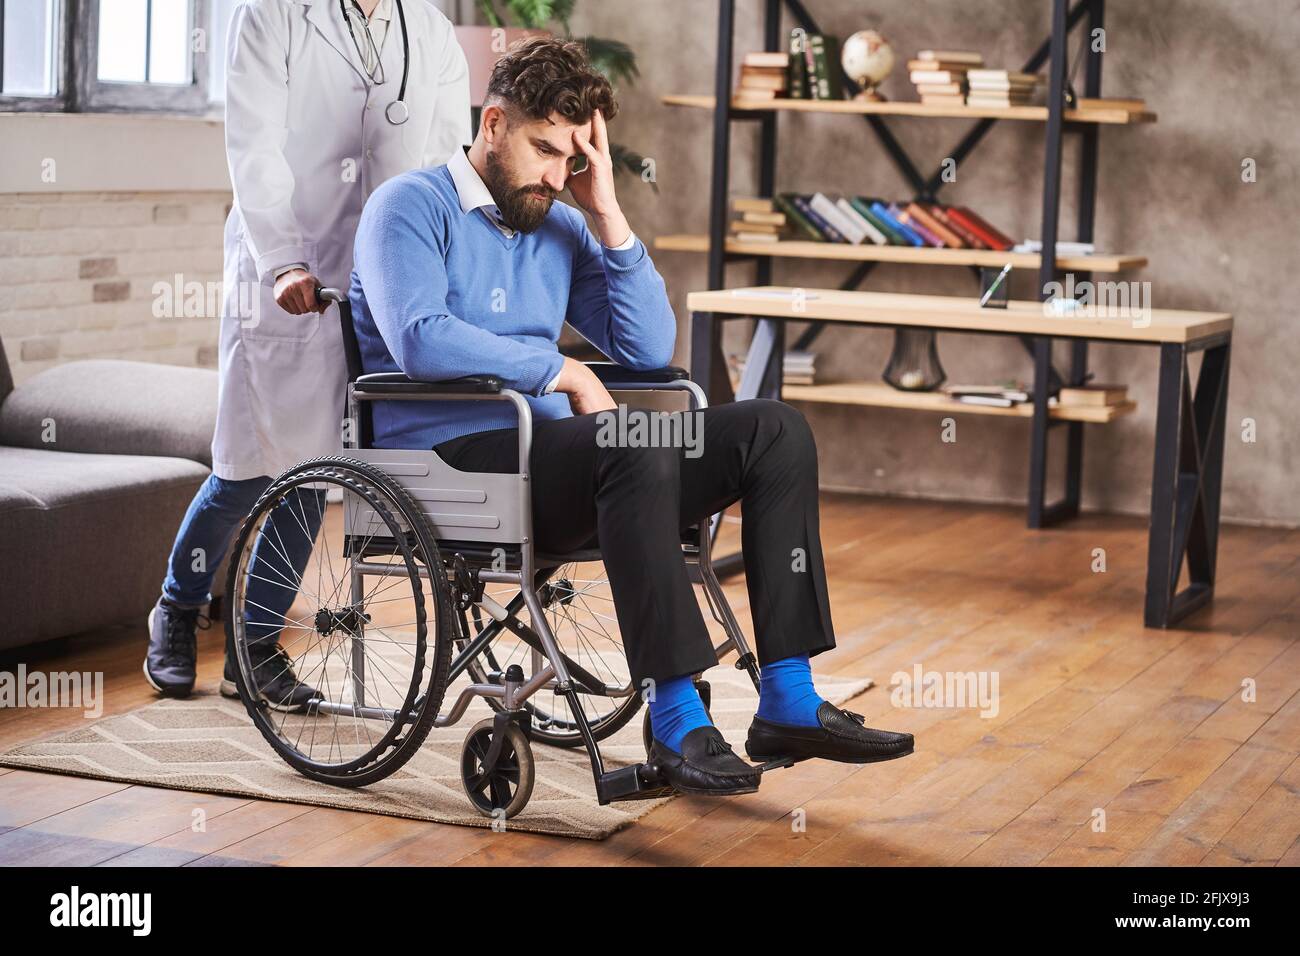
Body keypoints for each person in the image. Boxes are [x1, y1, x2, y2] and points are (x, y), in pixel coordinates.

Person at [349, 36, 914, 795]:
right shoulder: (409, 207)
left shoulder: (558, 218)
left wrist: (607, 213)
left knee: (774, 431)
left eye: (571, 157)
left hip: (568, 457)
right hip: (454, 463)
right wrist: (563, 370)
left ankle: (788, 698)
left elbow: (649, 348)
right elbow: (418, 338)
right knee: (625, 442)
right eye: (544, 149)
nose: (555, 174)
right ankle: (678, 717)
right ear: (492, 125)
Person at [144, 0, 471, 708]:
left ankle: (252, 650)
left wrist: (446, 270)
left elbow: (450, 159)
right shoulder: (272, 13)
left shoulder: (431, 28)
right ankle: (175, 610)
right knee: (247, 467)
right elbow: (254, 144)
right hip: (287, 270)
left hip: (380, 282)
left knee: (317, 473)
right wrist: (284, 259)